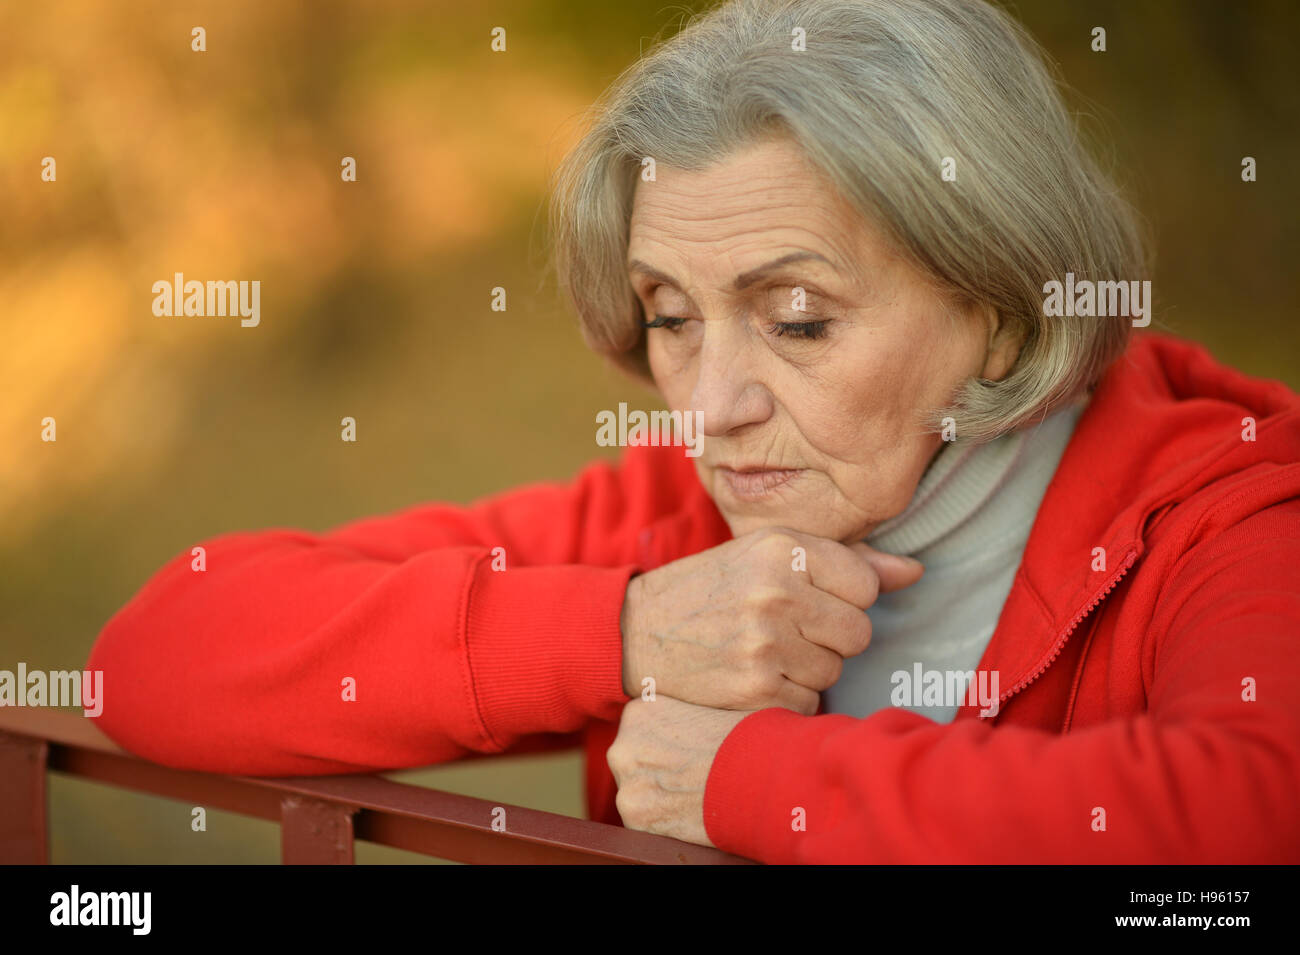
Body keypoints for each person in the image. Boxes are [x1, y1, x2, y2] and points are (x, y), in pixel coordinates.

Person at [88, 0, 1300, 863]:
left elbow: (1254, 814)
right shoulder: (676, 523)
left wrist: (750, 782)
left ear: (996, 314)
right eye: (670, 318)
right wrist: (620, 632)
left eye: (797, 319)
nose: (710, 407)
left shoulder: (1223, 514)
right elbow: (157, 657)